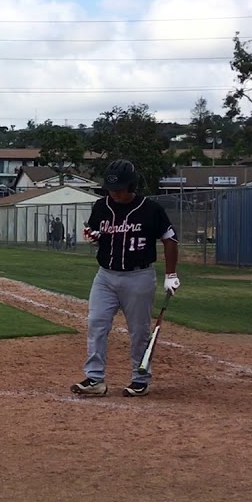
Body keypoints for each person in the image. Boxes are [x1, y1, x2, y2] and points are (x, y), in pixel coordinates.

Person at [73, 159, 179, 398]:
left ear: (131, 186)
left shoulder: (151, 209)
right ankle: (95, 379)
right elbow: (97, 233)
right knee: (96, 324)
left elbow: (170, 239)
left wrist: (171, 274)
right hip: (105, 277)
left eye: (119, 189)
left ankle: (140, 378)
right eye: (111, 189)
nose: (115, 193)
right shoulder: (101, 207)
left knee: (139, 331)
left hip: (138, 277)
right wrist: (94, 236)